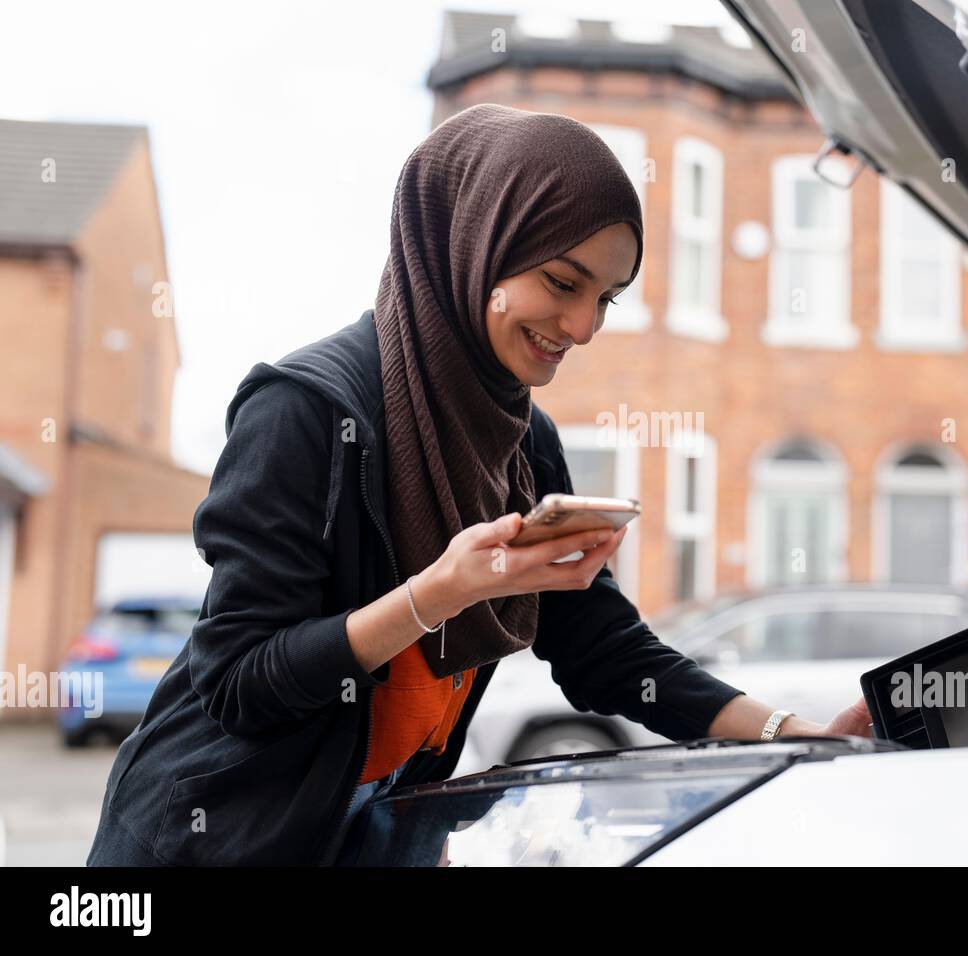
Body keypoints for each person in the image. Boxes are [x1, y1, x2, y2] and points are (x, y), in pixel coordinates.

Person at [86, 103, 872, 867]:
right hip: (206, 840)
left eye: (605, 298)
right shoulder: (304, 409)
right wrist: (437, 595)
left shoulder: (524, 440)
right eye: (563, 282)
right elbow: (239, 683)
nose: (585, 327)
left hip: (365, 829)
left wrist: (795, 735)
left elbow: (602, 648)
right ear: (471, 244)